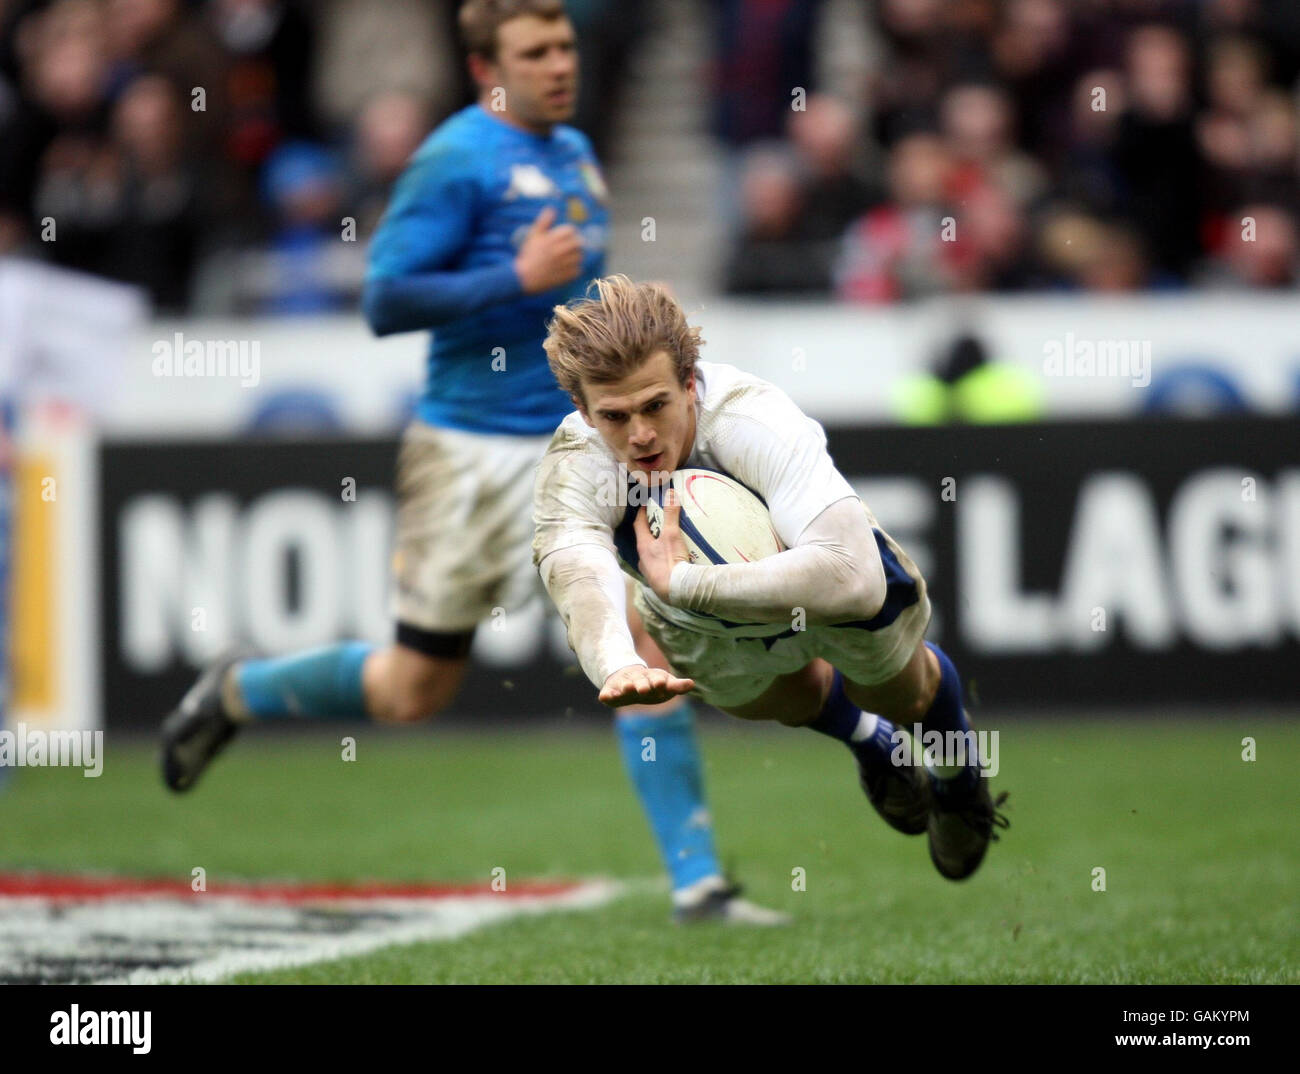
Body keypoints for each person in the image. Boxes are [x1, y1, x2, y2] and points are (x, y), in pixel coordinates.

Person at [161, 0, 784, 925]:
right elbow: (385, 297)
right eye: (535, 51)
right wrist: (513, 281)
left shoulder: (573, 151)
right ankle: (238, 689)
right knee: (413, 690)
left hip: (576, 446)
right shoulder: (455, 158)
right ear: (484, 64)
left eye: (565, 44)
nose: (559, 64)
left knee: (643, 640)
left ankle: (697, 881)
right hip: (468, 453)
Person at [533, 274, 1010, 880]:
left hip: (817, 576)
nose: (642, 434)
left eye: (656, 405)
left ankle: (957, 778)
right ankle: (871, 742)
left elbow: (853, 578)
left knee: (900, 693)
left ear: (689, 383)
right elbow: (573, 560)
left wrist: (688, 586)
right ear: (583, 411)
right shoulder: (578, 460)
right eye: (616, 416)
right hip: (694, 607)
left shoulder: (750, 418)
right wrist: (616, 664)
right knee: (783, 698)